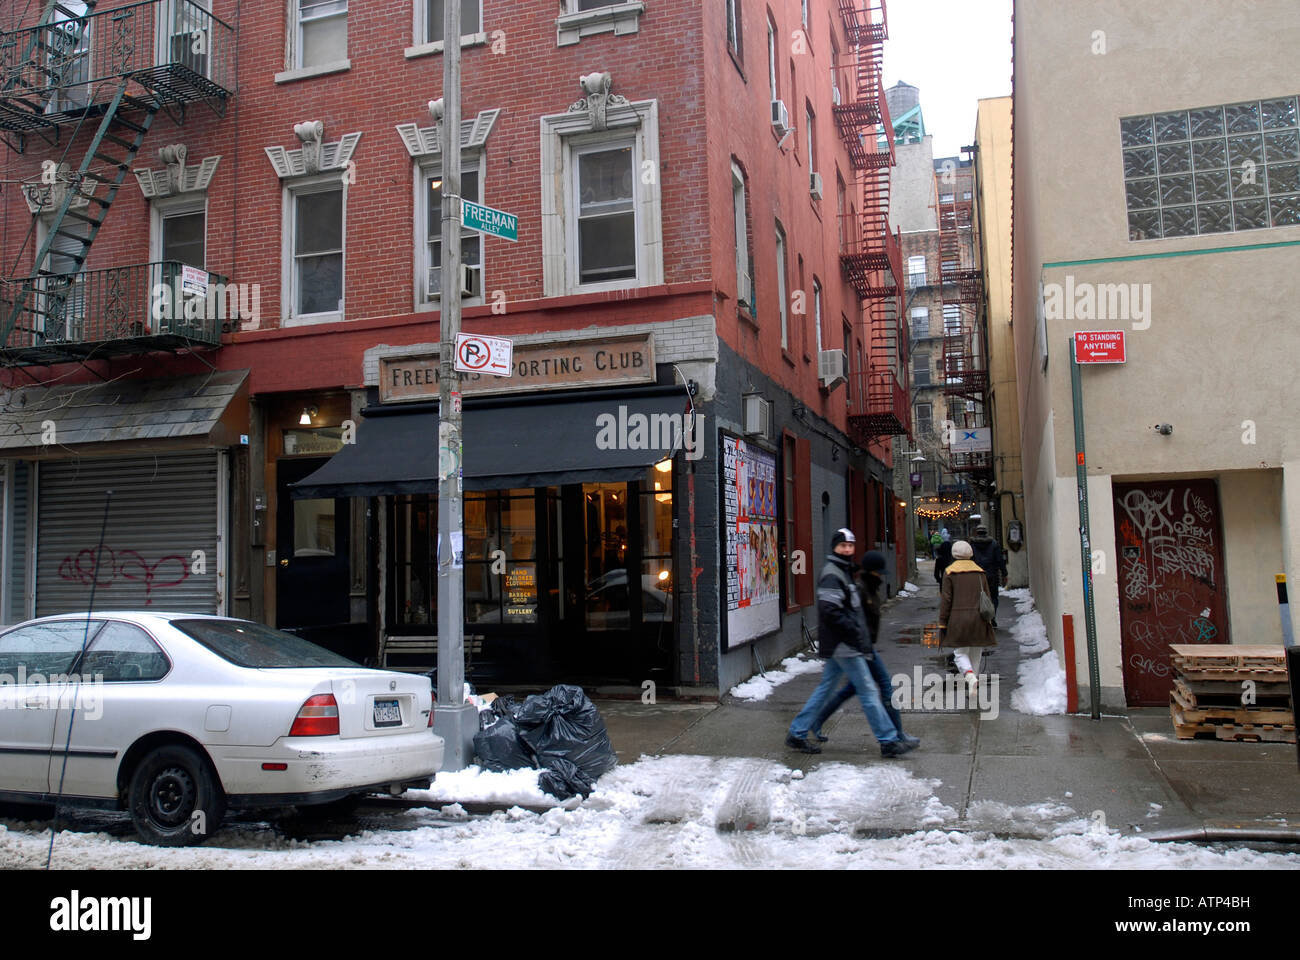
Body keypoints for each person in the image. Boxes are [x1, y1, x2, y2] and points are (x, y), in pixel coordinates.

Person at [785, 529, 917, 758]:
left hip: (844, 644)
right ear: (834, 547)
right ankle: (888, 740)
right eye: (842, 545)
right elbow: (829, 611)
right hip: (844, 645)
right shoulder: (832, 574)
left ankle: (797, 732)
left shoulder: (843, 572)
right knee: (867, 691)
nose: (847, 549)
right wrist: (854, 631)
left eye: (850, 545)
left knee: (826, 688)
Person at [938, 540, 996, 696]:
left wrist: (943, 622)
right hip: (979, 619)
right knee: (976, 653)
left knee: (960, 653)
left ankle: (970, 678)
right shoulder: (980, 572)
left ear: (954, 553)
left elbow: (946, 600)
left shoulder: (950, 572)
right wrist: (989, 620)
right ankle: (973, 683)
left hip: (958, 619)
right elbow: (987, 598)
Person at [968, 524, 1008, 627]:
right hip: (992, 574)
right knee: (993, 597)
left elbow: (970, 559)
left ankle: (981, 619)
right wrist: (1004, 574)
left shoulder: (972, 544)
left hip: (977, 575)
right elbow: (999, 560)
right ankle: (992, 617)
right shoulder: (994, 544)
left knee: (979, 597)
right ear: (986, 532)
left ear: (977, 532)